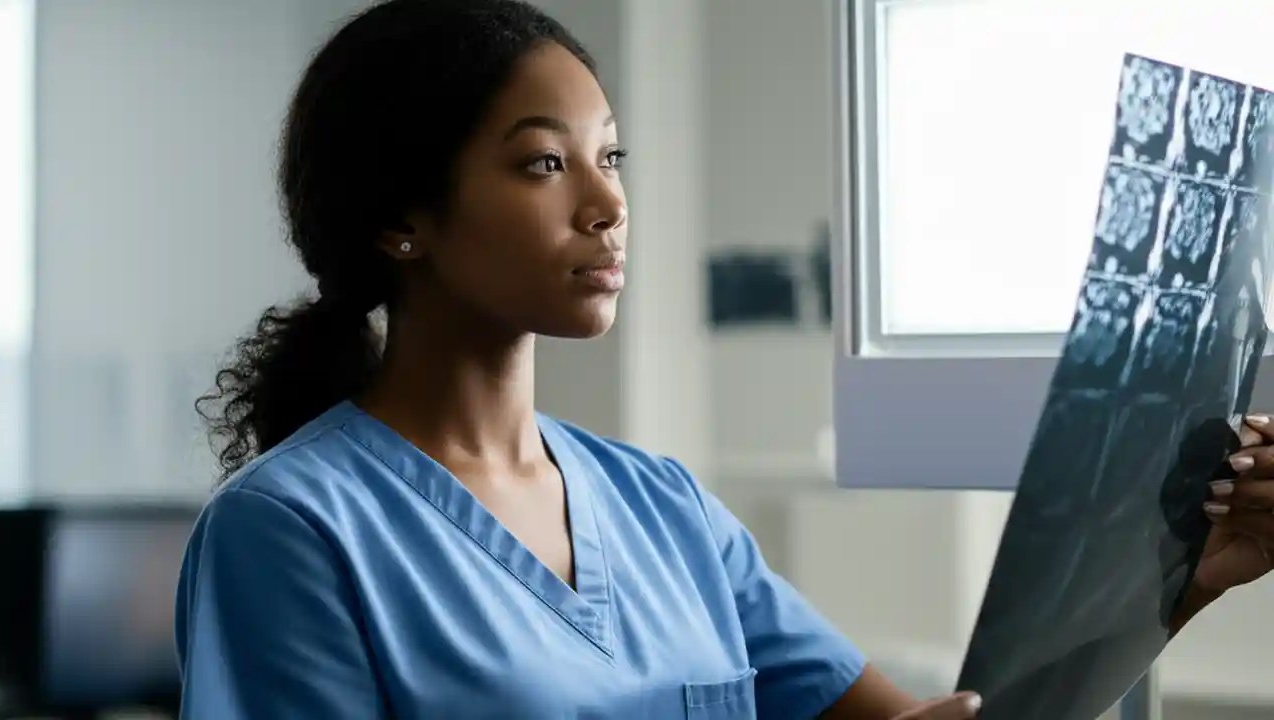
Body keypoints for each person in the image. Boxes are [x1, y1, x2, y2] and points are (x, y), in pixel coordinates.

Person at [174, 1, 1274, 717]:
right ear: (398, 220)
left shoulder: (662, 508)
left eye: (611, 157)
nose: (607, 204)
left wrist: (1180, 580)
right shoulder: (290, 531)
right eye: (544, 164)